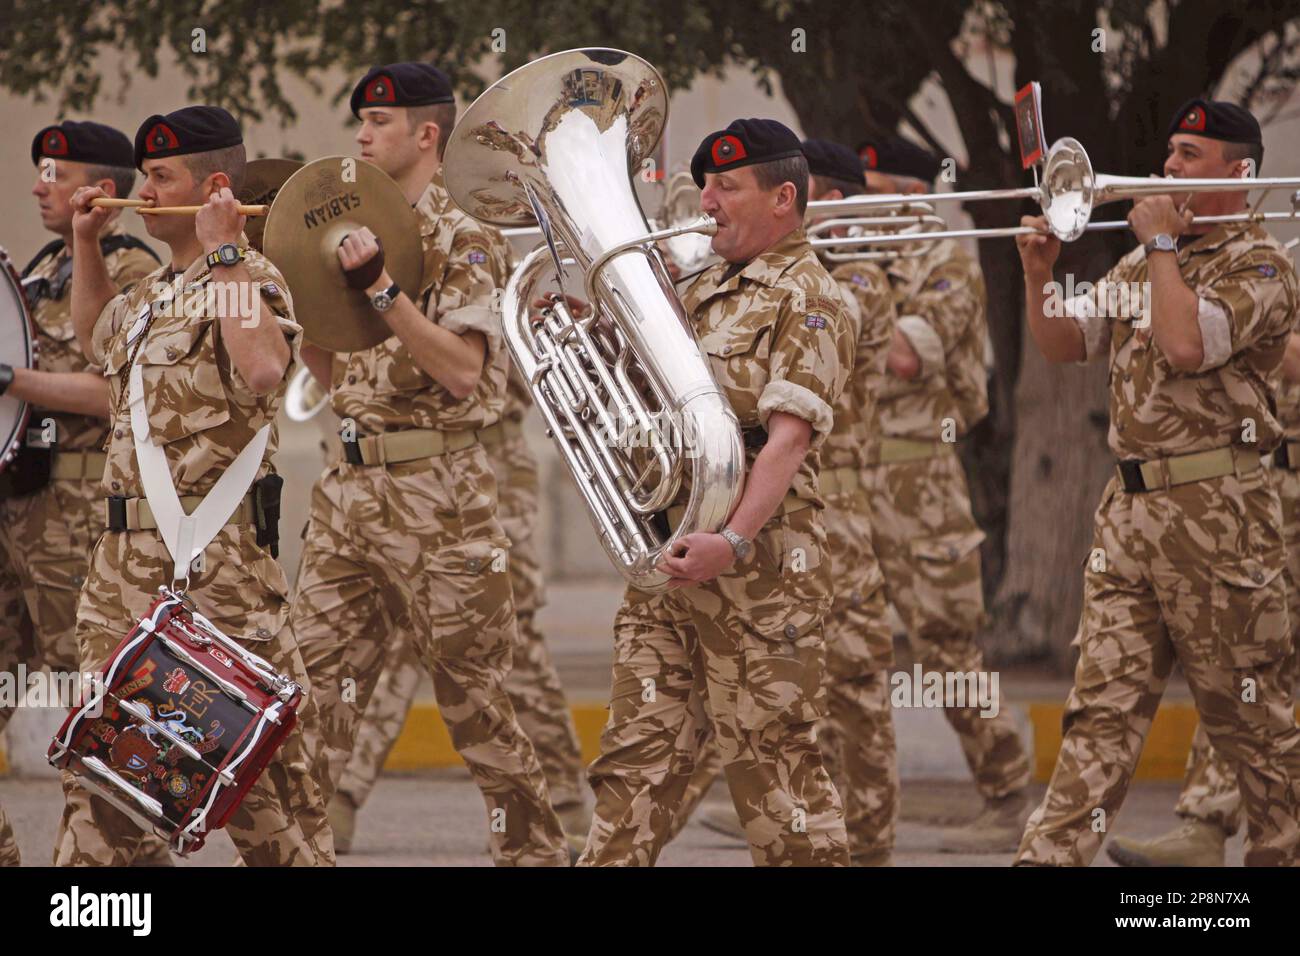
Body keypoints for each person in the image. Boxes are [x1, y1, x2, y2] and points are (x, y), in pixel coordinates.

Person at [290, 62, 568, 866]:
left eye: (379, 121)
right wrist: (304, 296)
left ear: (426, 136)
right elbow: (335, 376)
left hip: (439, 500)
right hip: (349, 496)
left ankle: (536, 854)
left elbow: (462, 370)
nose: (361, 135)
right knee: (310, 699)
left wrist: (379, 287)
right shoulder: (349, 234)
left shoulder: (463, 235)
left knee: (478, 708)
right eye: (360, 121)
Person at [1015, 98, 1300, 867]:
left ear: (1239, 173)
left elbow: (1182, 344)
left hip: (1223, 516)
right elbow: (1067, 342)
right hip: (1130, 513)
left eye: (1188, 155)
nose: (1167, 167)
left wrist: (1165, 244)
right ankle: (1049, 859)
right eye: (1170, 152)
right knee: (1099, 710)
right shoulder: (1144, 261)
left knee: (1255, 725)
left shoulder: (1264, 265)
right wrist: (1038, 272)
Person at [57, 105, 333, 865]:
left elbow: (266, 370)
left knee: (265, 796)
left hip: (217, 575)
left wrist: (224, 256)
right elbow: (94, 338)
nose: (143, 191)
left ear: (211, 187)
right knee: (103, 776)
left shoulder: (247, 278)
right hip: (121, 573)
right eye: (143, 176)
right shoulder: (149, 296)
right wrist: (87, 246)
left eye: (160, 177)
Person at [577, 118, 853, 867]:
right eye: (706, 186)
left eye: (727, 187)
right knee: (633, 767)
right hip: (670, 561)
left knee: (775, 776)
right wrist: (592, 338)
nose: (707, 203)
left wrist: (730, 542)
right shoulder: (696, 286)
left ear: (783, 199)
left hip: (758, 573)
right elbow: (642, 397)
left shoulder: (812, 297)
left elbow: (788, 438)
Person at [683, 138, 901, 865]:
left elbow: (803, 423)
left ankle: (866, 851)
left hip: (821, 514)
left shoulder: (841, 287)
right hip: (736, 516)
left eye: (729, 186)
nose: (711, 202)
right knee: (746, 720)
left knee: (845, 696)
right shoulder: (718, 282)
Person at [858, 135, 1032, 853]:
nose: (851, 210)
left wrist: (853, 276)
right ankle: (828, 801)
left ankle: (1008, 791)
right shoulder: (853, 262)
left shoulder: (947, 264)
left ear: (903, 194)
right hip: (853, 478)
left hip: (921, 479)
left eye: (866, 194)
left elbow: (905, 357)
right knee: (839, 647)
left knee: (945, 651)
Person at [0, 120, 167, 868]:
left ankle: (114, 860)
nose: (41, 185)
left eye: (57, 174)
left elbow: (116, 394)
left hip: (76, 520)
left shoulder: (132, 274)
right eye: (40, 172)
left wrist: (14, 383)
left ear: (101, 189)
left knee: (88, 708)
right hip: (15, 508)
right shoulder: (39, 272)